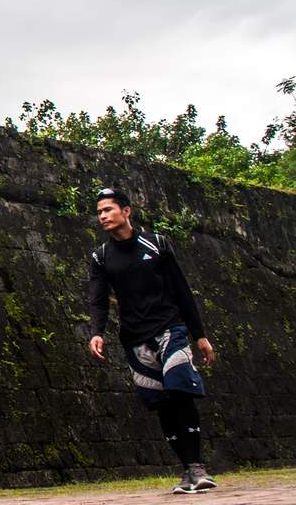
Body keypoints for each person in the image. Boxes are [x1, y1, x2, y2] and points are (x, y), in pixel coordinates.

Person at [86, 187, 218, 494]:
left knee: (180, 391)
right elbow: (99, 299)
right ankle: (186, 469)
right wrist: (96, 331)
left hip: (170, 329)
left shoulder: (156, 244)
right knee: (162, 404)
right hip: (135, 339)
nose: (103, 216)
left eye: (108, 209)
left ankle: (197, 466)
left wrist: (200, 336)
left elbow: (182, 290)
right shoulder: (101, 257)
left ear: (126, 211)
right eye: (99, 212)